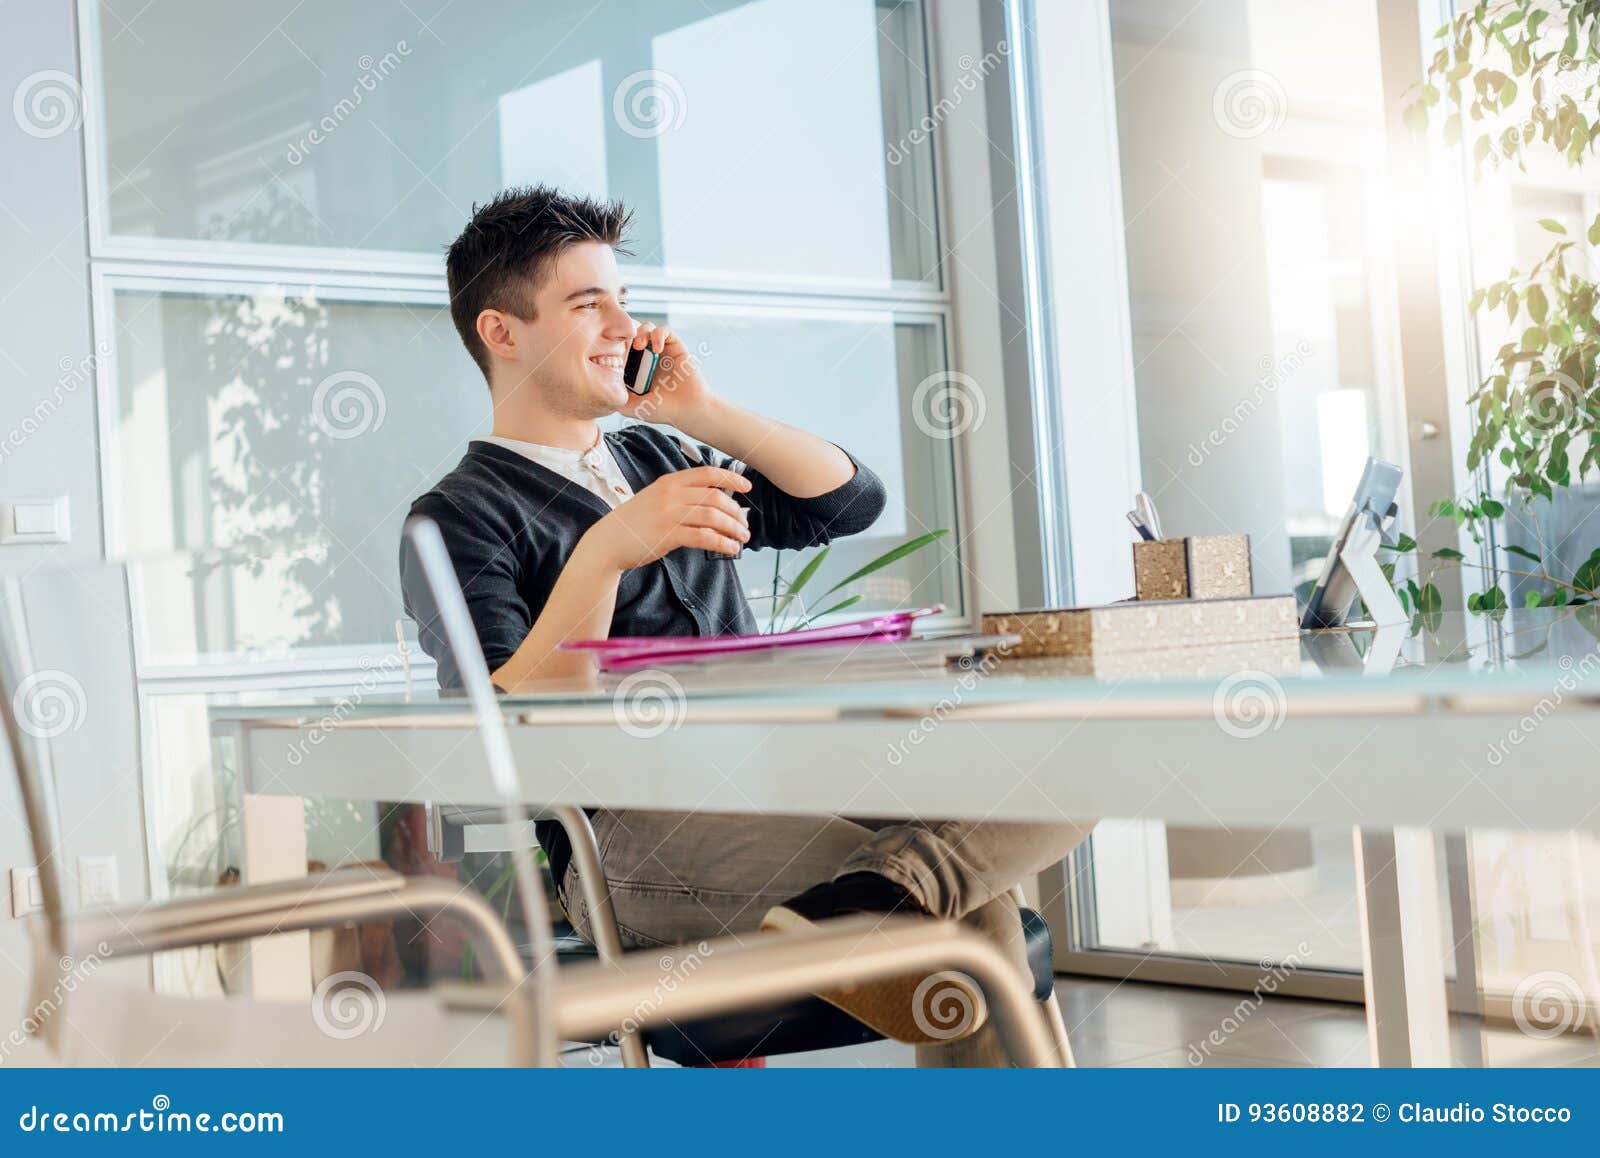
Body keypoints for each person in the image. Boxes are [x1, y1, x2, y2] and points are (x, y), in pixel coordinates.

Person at [400, 186, 1094, 1063]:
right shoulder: (460, 516)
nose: (625, 322)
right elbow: (500, 741)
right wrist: (606, 552)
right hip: (630, 832)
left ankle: (873, 901)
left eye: (622, 296)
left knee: (1077, 754)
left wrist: (702, 414)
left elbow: (845, 500)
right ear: (502, 332)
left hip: (775, 779)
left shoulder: (656, 452)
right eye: (588, 304)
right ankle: (886, 902)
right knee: (974, 924)